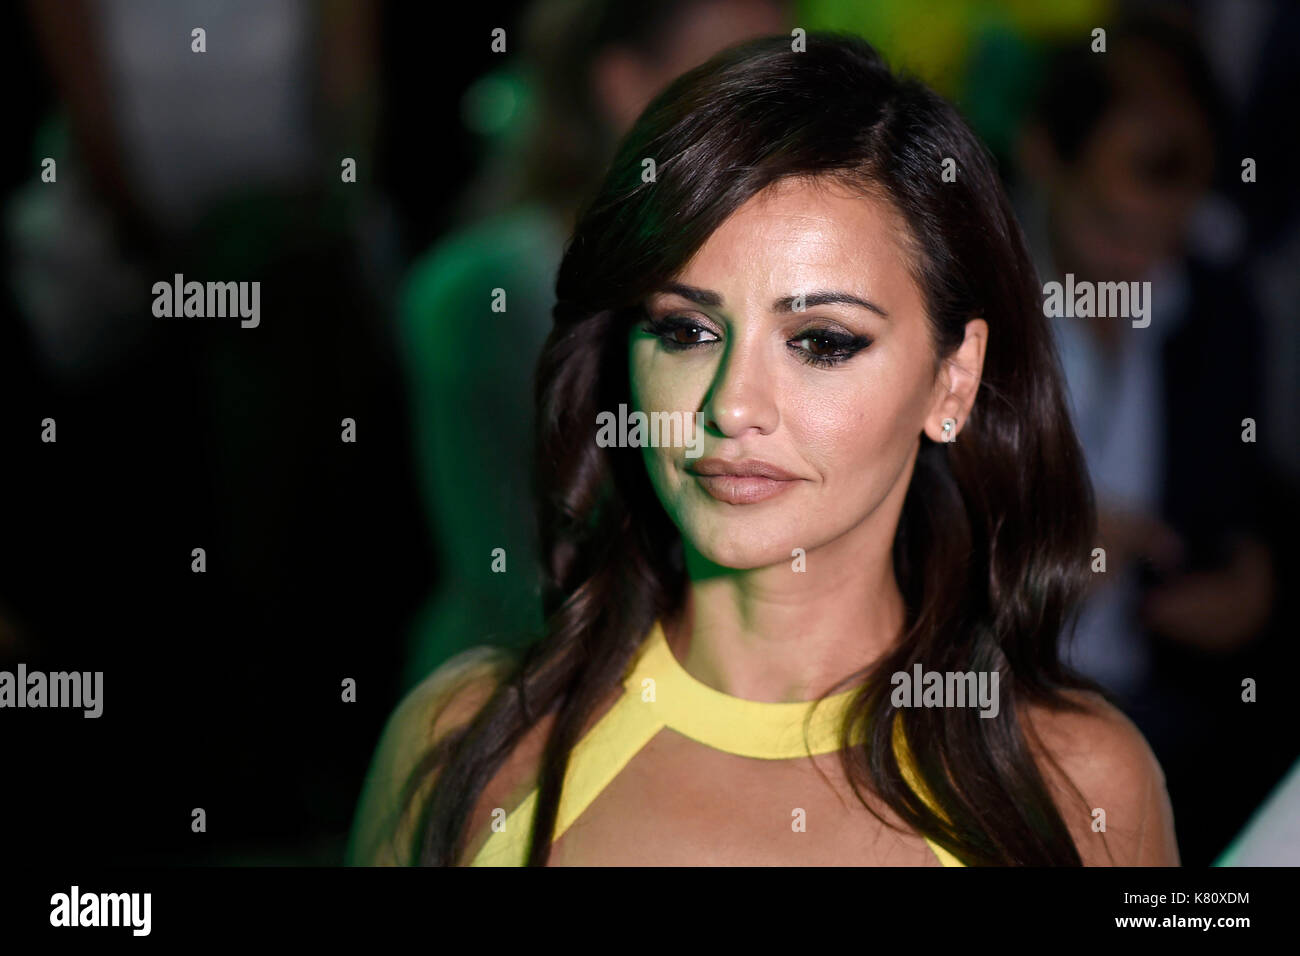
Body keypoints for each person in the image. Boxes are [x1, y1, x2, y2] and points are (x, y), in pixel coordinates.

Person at [349, 32, 1178, 867]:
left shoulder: (1080, 783)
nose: (732, 406)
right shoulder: (463, 742)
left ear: (952, 381)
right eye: (686, 330)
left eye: (822, 341)